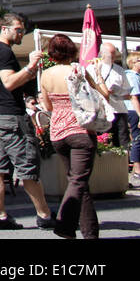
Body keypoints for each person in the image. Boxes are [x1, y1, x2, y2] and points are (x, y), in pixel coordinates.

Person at [0, 13, 54, 231]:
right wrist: (30, 68)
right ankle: (44, 215)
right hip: (12, 118)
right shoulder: (4, 52)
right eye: (18, 29)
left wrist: (28, 91)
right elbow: (8, 82)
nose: (21, 33)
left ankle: (0, 216)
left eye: (22, 29)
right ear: (4, 29)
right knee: (27, 167)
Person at [40, 34, 101, 239]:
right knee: (78, 182)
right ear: (71, 51)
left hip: (58, 132)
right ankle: (64, 225)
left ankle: (90, 233)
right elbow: (100, 96)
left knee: (78, 183)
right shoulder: (77, 70)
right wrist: (99, 75)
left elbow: (47, 106)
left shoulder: (45, 75)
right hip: (80, 129)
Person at [87, 43, 134, 153]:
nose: (113, 57)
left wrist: (118, 93)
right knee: (105, 141)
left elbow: (128, 92)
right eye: (111, 54)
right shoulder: (92, 68)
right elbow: (88, 89)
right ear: (103, 54)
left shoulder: (119, 70)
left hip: (119, 110)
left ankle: (124, 165)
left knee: (123, 142)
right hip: (103, 111)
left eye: (114, 54)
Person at [124, 52, 140, 179]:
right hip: (136, 112)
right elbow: (134, 97)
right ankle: (138, 169)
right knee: (138, 138)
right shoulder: (132, 76)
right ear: (133, 63)